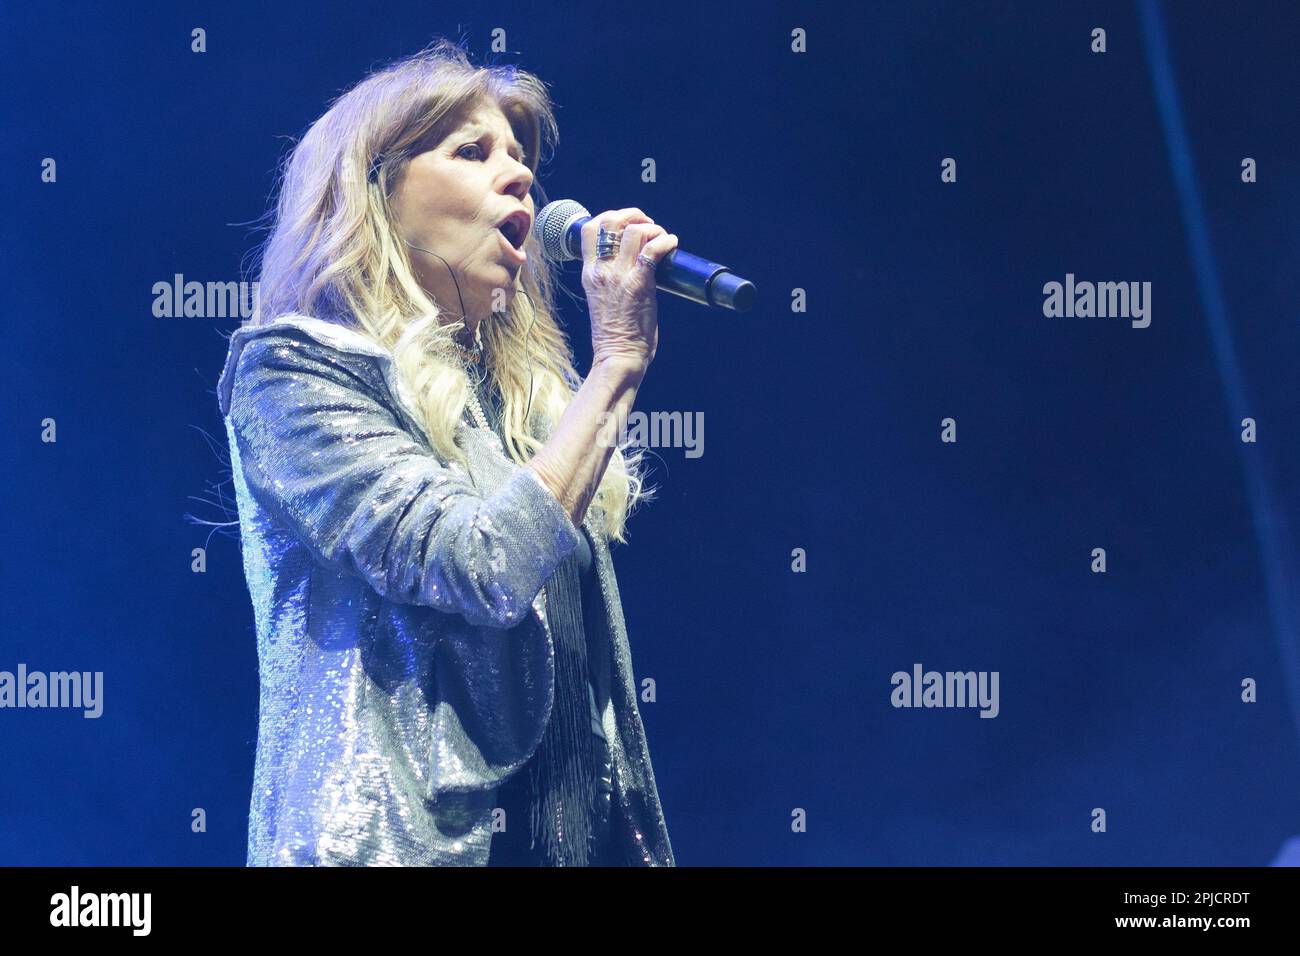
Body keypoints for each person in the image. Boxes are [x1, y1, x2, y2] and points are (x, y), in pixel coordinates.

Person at [216, 38, 678, 866]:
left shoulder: (522, 413)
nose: (521, 176)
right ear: (375, 192)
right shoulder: (291, 371)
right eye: (473, 151)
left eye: (520, 157)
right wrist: (616, 367)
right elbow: (480, 564)